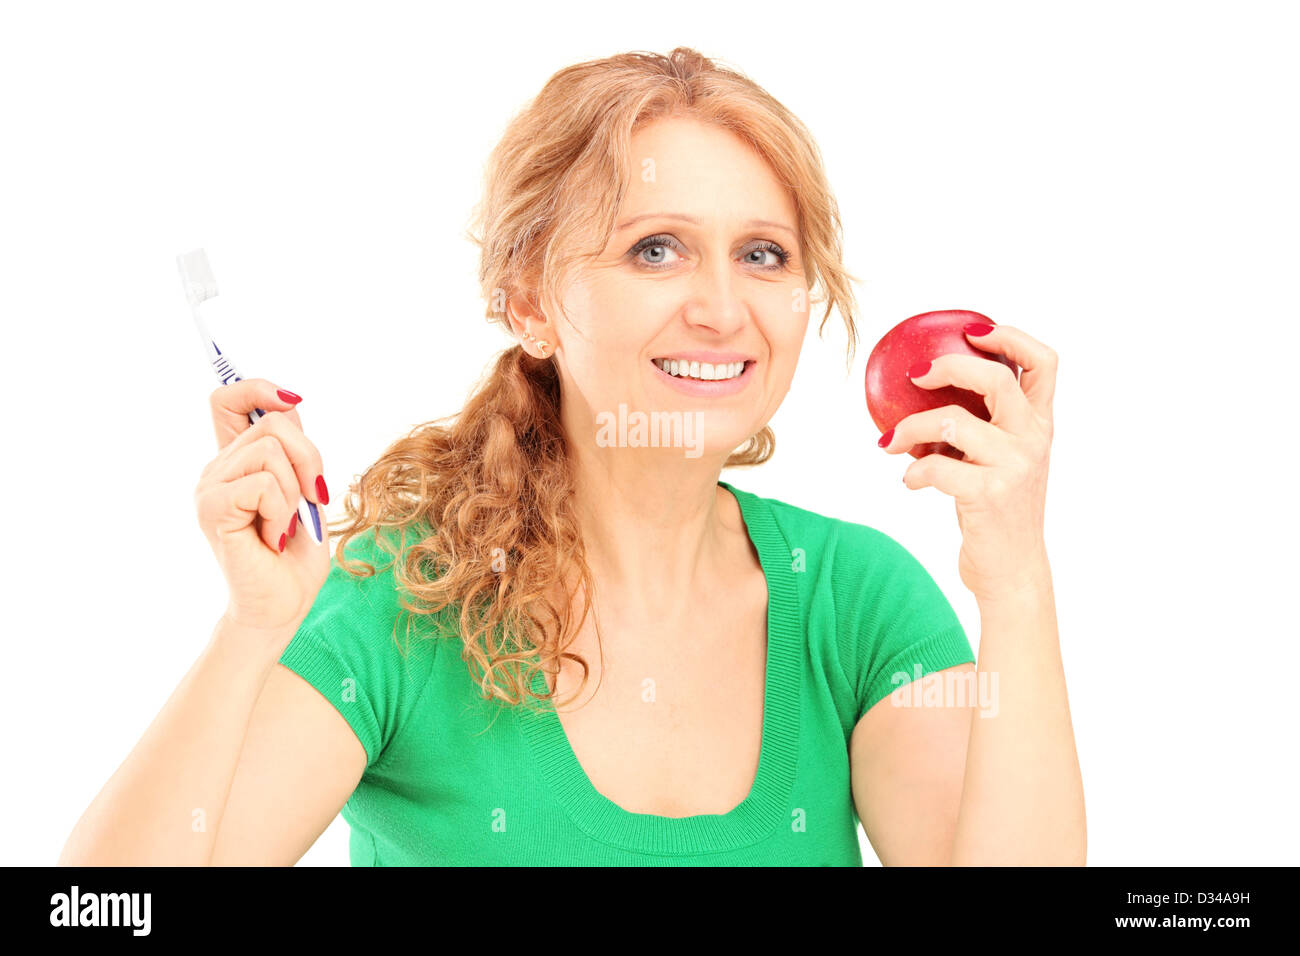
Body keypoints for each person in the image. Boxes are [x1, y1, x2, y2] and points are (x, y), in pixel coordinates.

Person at [59, 47, 1081, 866]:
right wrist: (252, 628)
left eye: (761, 254)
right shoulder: (403, 597)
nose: (722, 309)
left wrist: (1017, 580)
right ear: (532, 301)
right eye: (655, 248)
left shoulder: (856, 601)